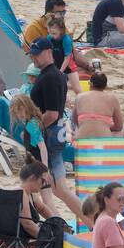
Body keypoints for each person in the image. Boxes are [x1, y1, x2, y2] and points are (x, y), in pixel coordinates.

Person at [27, 36, 83, 222]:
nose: (33, 58)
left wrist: (34, 127)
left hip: (48, 137)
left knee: (51, 189)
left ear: (48, 52)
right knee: (57, 190)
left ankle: (61, 227)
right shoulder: (56, 75)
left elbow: (51, 113)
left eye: (36, 55)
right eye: (32, 55)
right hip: (55, 135)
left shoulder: (49, 77)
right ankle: (87, 222)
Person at [73, 72, 123, 139]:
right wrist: (106, 125)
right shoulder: (112, 99)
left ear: (90, 84)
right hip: (102, 141)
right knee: (120, 131)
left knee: (79, 127)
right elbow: (119, 126)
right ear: (105, 86)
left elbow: (75, 120)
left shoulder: (79, 97)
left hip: (82, 141)